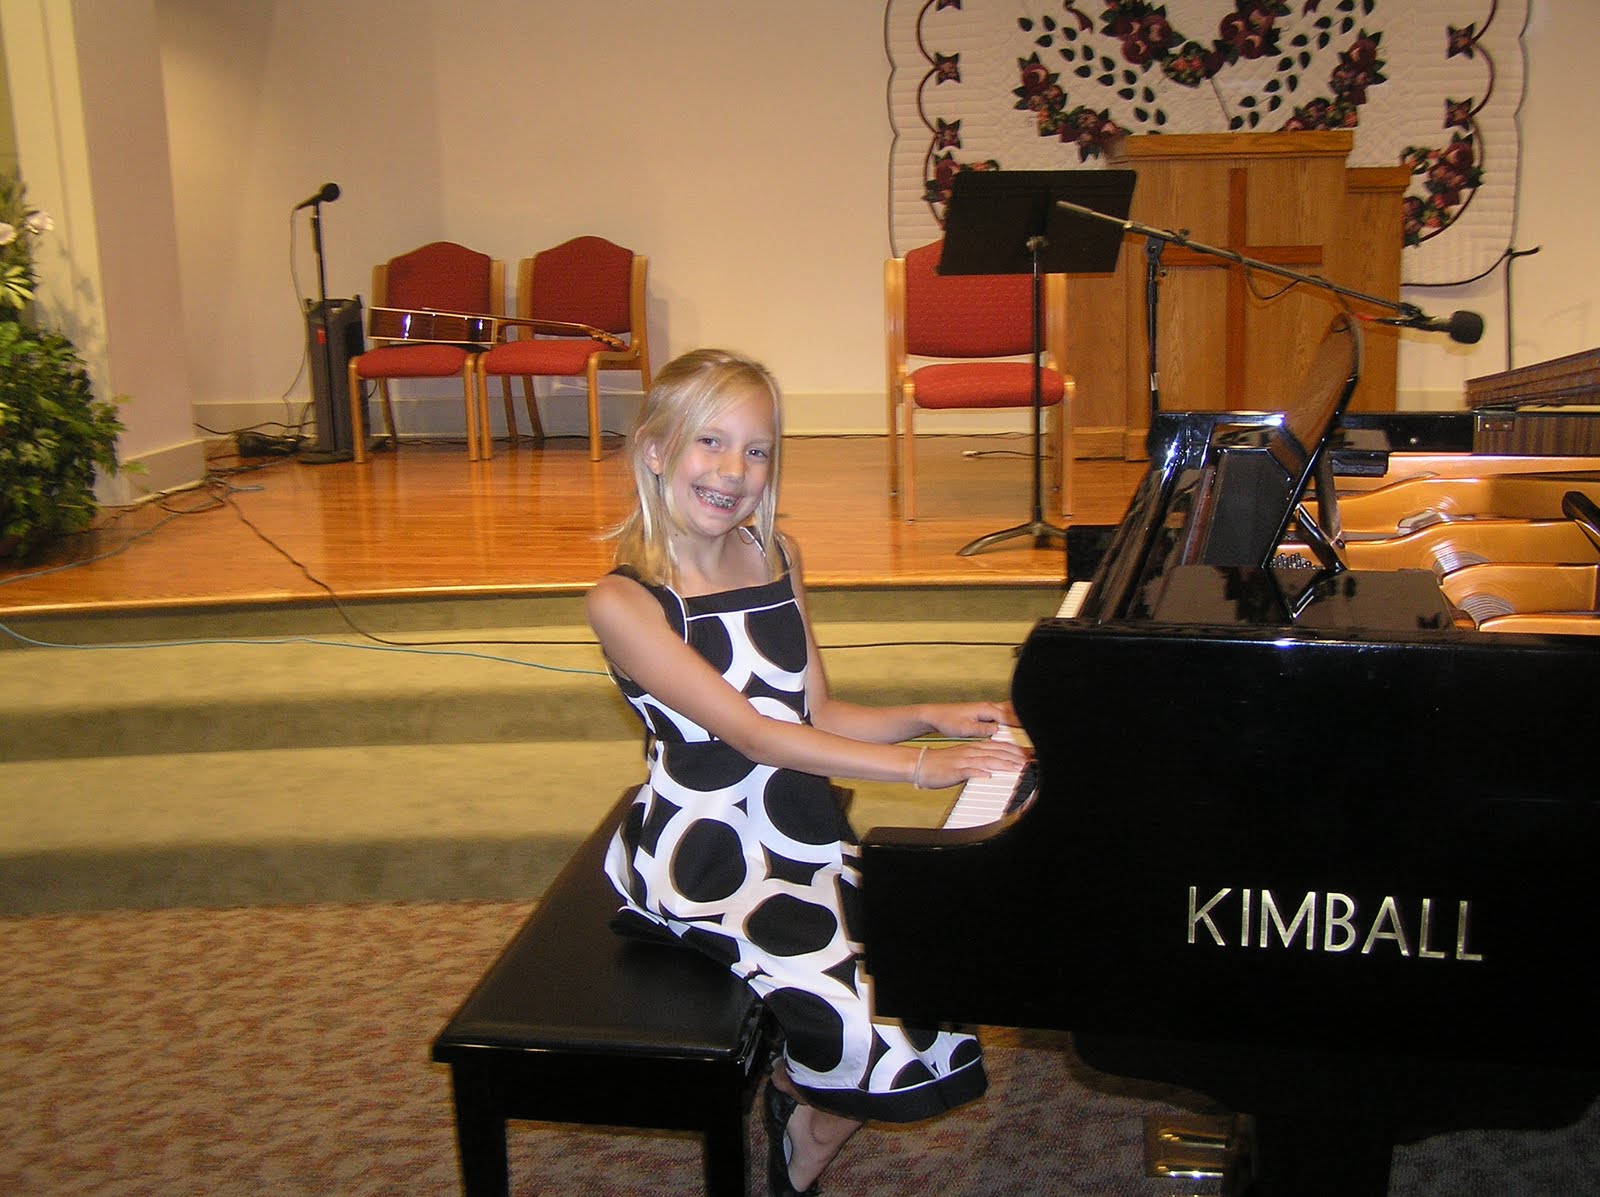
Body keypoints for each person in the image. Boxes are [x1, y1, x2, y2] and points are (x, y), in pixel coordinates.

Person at [587, 348, 1028, 1196]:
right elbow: (757, 735)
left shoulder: (775, 553)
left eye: (757, 450)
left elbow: (816, 714)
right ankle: (809, 1121)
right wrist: (921, 768)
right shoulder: (627, 600)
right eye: (709, 442)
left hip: (800, 820)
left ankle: (801, 1100)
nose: (733, 471)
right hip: (711, 846)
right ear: (653, 449)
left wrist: (929, 714)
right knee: (867, 1014)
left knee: (930, 962)